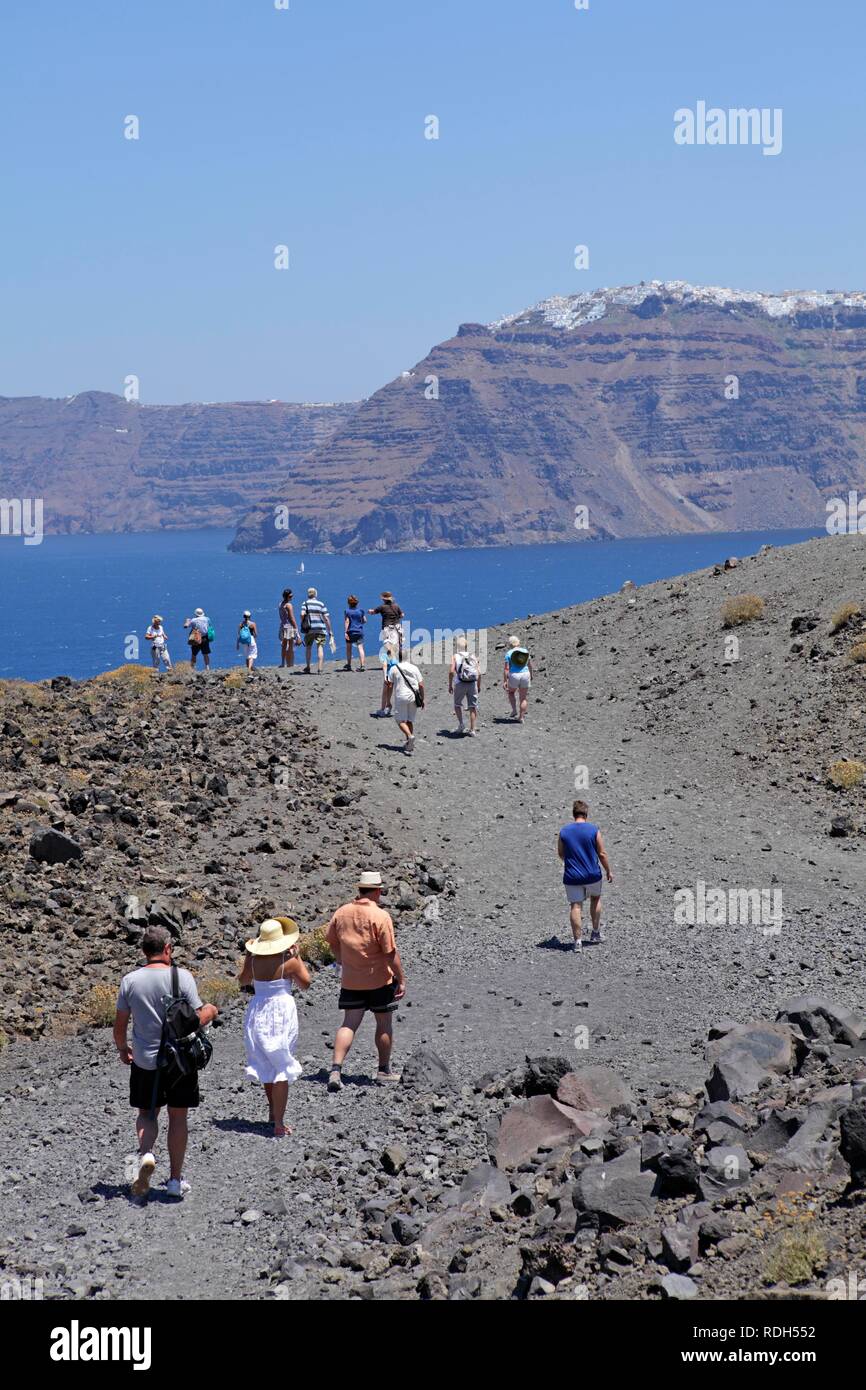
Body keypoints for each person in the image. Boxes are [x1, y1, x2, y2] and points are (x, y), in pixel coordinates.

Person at [113, 926, 218, 1199]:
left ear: (144, 951)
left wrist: (124, 1049)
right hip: (179, 1060)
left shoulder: (130, 981)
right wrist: (211, 1011)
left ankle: (147, 1153)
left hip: (145, 1060)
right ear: (168, 949)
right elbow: (195, 1018)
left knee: (147, 1113)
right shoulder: (181, 977)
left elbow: (120, 1024)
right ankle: (174, 1180)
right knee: (178, 1117)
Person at [325, 871, 406, 1092]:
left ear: (360, 889)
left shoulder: (342, 912)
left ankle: (335, 1070)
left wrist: (342, 960)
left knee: (349, 1023)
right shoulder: (380, 916)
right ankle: (383, 1071)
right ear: (378, 891)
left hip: (351, 980)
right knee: (383, 1023)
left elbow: (331, 941)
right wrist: (401, 978)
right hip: (379, 979)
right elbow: (390, 953)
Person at [239, 918, 310, 1137]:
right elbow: (306, 983)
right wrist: (297, 957)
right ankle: (279, 1123)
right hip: (281, 1012)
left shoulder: (253, 961)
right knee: (281, 1063)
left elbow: (243, 982)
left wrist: (249, 958)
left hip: (258, 1011)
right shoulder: (289, 961)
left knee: (266, 1062)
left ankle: (273, 1112)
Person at [556, 800, 614, 953]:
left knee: (575, 905)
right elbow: (601, 853)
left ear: (573, 814)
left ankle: (577, 942)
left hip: (572, 875)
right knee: (595, 898)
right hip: (592, 874)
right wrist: (608, 870)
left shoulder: (564, 831)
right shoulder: (593, 830)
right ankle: (595, 933)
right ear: (586, 814)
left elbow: (561, 853)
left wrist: (571, 863)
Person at [387, 653, 424, 755]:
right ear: (408, 657)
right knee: (409, 720)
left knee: (399, 720)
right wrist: (422, 699)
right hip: (413, 696)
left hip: (401, 696)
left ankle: (410, 736)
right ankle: (409, 744)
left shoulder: (393, 669)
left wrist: (388, 700)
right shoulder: (414, 668)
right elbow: (421, 685)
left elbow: (389, 686)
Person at [449, 637, 480, 736]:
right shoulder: (473, 656)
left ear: (457, 647)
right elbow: (479, 672)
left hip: (460, 683)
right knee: (472, 706)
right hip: (472, 683)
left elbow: (451, 671)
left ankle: (461, 724)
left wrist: (450, 685)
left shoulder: (455, 656)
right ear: (466, 646)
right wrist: (478, 685)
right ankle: (472, 729)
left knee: (457, 704)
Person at [300, 587, 333, 674]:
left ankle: (308, 667)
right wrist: (330, 630)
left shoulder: (305, 603)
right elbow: (326, 618)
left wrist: (303, 622)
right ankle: (320, 668)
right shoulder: (321, 604)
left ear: (308, 594)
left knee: (308, 648)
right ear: (316, 594)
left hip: (309, 629)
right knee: (320, 647)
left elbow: (302, 614)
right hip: (320, 628)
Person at [503, 634, 532, 722]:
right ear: (518, 642)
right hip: (525, 674)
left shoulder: (508, 653)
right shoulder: (525, 651)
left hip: (514, 675)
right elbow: (529, 665)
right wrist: (531, 675)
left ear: (510, 644)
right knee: (523, 697)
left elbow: (506, 669)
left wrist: (505, 680)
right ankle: (521, 717)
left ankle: (514, 710)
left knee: (511, 692)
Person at [370, 592, 405, 661]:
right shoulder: (396, 606)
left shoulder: (382, 607)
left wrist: (369, 611)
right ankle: (400, 660)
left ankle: (392, 661)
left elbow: (373, 612)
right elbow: (402, 615)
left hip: (387, 628)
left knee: (388, 645)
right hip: (397, 627)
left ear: (384, 599)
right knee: (398, 644)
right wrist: (398, 617)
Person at [373, 644, 399, 718]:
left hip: (389, 675)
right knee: (391, 691)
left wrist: (385, 677)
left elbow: (384, 666)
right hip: (396, 675)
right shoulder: (395, 655)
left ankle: (383, 709)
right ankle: (388, 705)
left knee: (385, 692)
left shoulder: (384, 655)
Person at [343, 596, 367, 672]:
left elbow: (347, 621)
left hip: (350, 632)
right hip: (359, 631)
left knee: (349, 648)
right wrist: (359, 623)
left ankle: (349, 665)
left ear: (348, 603)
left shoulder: (347, 611)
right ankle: (362, 665)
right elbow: (365, 620)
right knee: (360, 648)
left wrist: (345, 632)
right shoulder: (361, 611)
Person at [279, 589, 300, 668]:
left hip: (282, 626)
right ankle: (290, 664)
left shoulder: (280, 604)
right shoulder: (289, 605)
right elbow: (292, 618)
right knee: (290, 646)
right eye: (291, 596)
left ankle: (282, 663)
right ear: (287, 596)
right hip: (289, 627)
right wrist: (296, 630)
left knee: (284, 645)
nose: (292, 597)